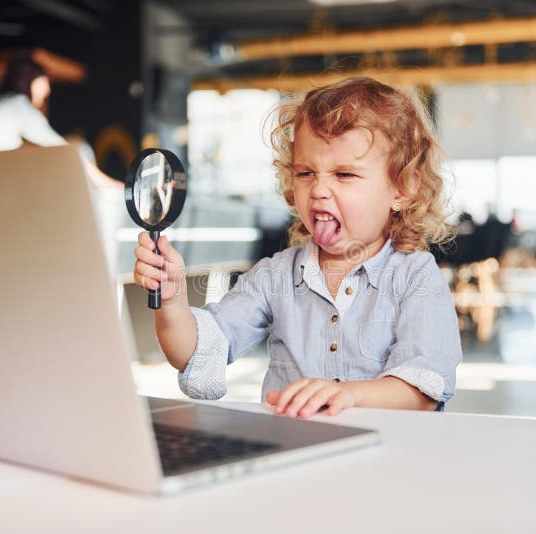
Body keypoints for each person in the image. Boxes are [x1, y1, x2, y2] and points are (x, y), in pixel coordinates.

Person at [133, 77, 462, 418]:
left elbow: (421, 391)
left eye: (344, 175)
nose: (318, 189)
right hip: (292, 441)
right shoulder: (276, 275)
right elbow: (194, 352)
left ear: (403, 188)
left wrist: (348, 394)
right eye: (305, 173)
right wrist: (171, 302)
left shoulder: (415, 277)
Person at [0, 56, 121, 189]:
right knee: (80, 148)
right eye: (44, 81)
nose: (47, 89)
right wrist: (109, 185)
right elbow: (64, 150)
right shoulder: (17, 104)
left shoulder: (2, 103)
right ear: (31, 80)